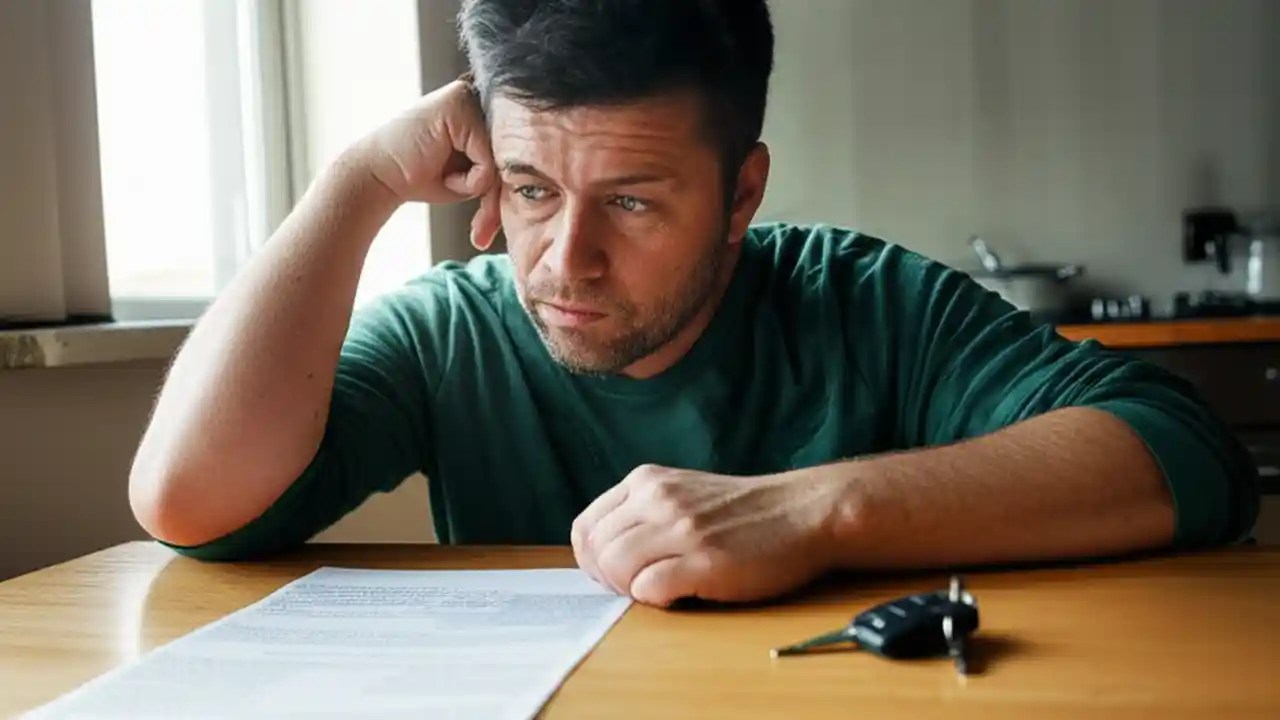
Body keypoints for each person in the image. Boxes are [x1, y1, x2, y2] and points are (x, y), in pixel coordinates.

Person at [128, 0, 1258, 608]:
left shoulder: (864, 303)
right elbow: (192, 506)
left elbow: (1184, 450)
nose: (565, 262)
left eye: (629, 201)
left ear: (741, 196)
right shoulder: (453, 331)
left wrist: (813, 512)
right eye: (530, 190)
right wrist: (357, 182)